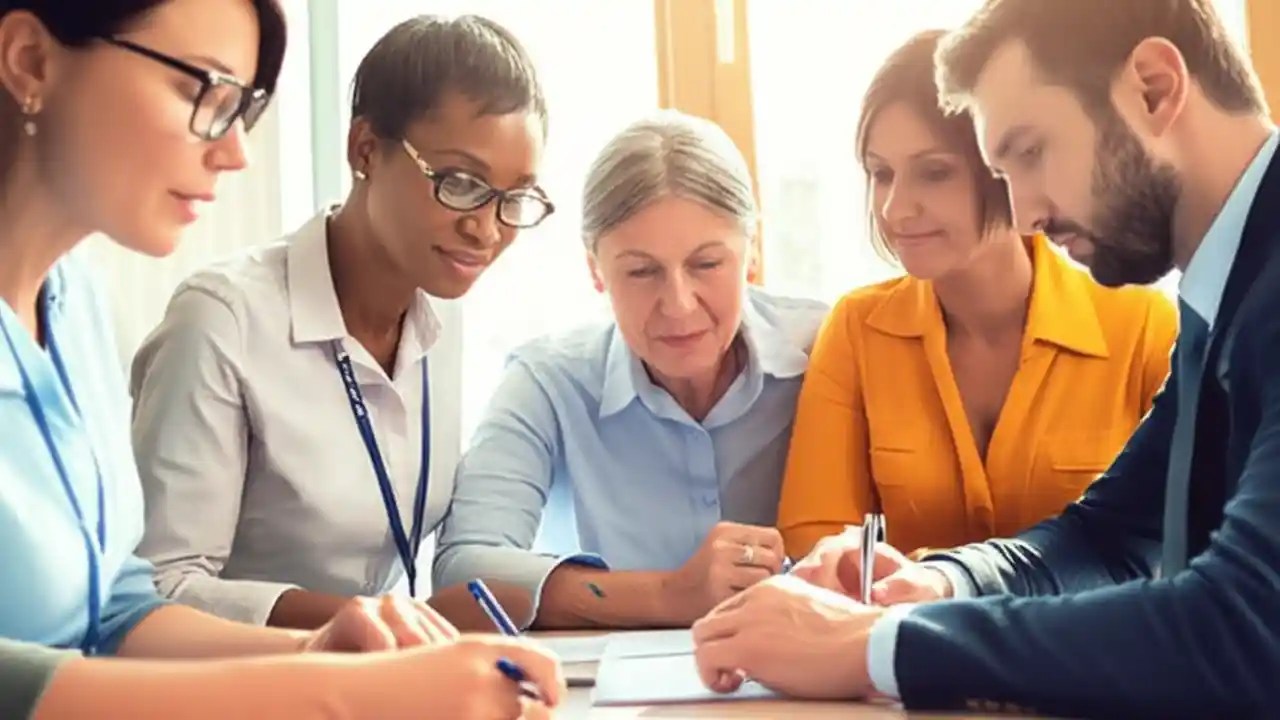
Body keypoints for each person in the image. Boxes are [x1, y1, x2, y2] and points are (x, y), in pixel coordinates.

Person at [691, 1, 1280, 717]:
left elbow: (1246, 627)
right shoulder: (1227, 291)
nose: (1026, 213)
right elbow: (1114, 532)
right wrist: (941, 584)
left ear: (1155, 88)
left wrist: (881, 644)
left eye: (1030, 153)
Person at [0, 2, 561, 718]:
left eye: (243, 107)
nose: (237, 152)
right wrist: (336, 690)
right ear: (31, 60)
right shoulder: (221, 316)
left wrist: (333, 646)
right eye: (199, 89)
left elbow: (116, 612)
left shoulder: (73, 304)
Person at [128, 14, 553, 630]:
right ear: (364, 151)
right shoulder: (222, 321)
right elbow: (160, 590)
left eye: (514, 198)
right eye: (461, 183)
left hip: (371, 675)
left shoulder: (441, 310)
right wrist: (390, 622)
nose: (486, 228)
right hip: (237, 684)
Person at [777, 29, 1176, 562]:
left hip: (1088, 646)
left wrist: (941, 581)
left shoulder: (1142, 325)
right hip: (906, 644)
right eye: (881, 174)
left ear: (1004, 167)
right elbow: (814, 547)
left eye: (934, 173)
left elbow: (1181, 548)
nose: (895, 208)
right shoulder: (857, 328)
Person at [433, 110, 828, 629]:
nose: (680, 305)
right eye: (642, 271)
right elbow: (463, 572)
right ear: (595, 269)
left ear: (751, 251)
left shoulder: (826, 353)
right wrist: (666, 596)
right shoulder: (548, 381)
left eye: (707, 264)